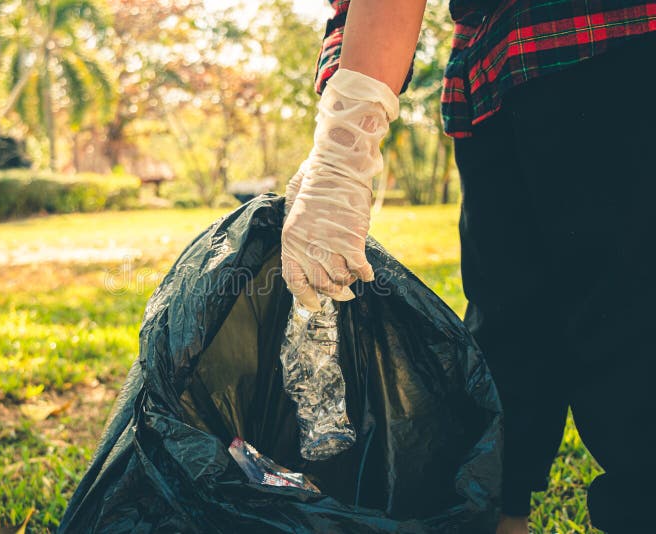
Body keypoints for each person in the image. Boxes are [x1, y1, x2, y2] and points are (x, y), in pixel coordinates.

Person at [280, 0, 656, 532]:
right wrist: (340, 149)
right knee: (507, 327)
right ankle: (500, 517)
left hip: (615, 38)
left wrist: (345, 147)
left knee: (635, 337)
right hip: (494, 69)